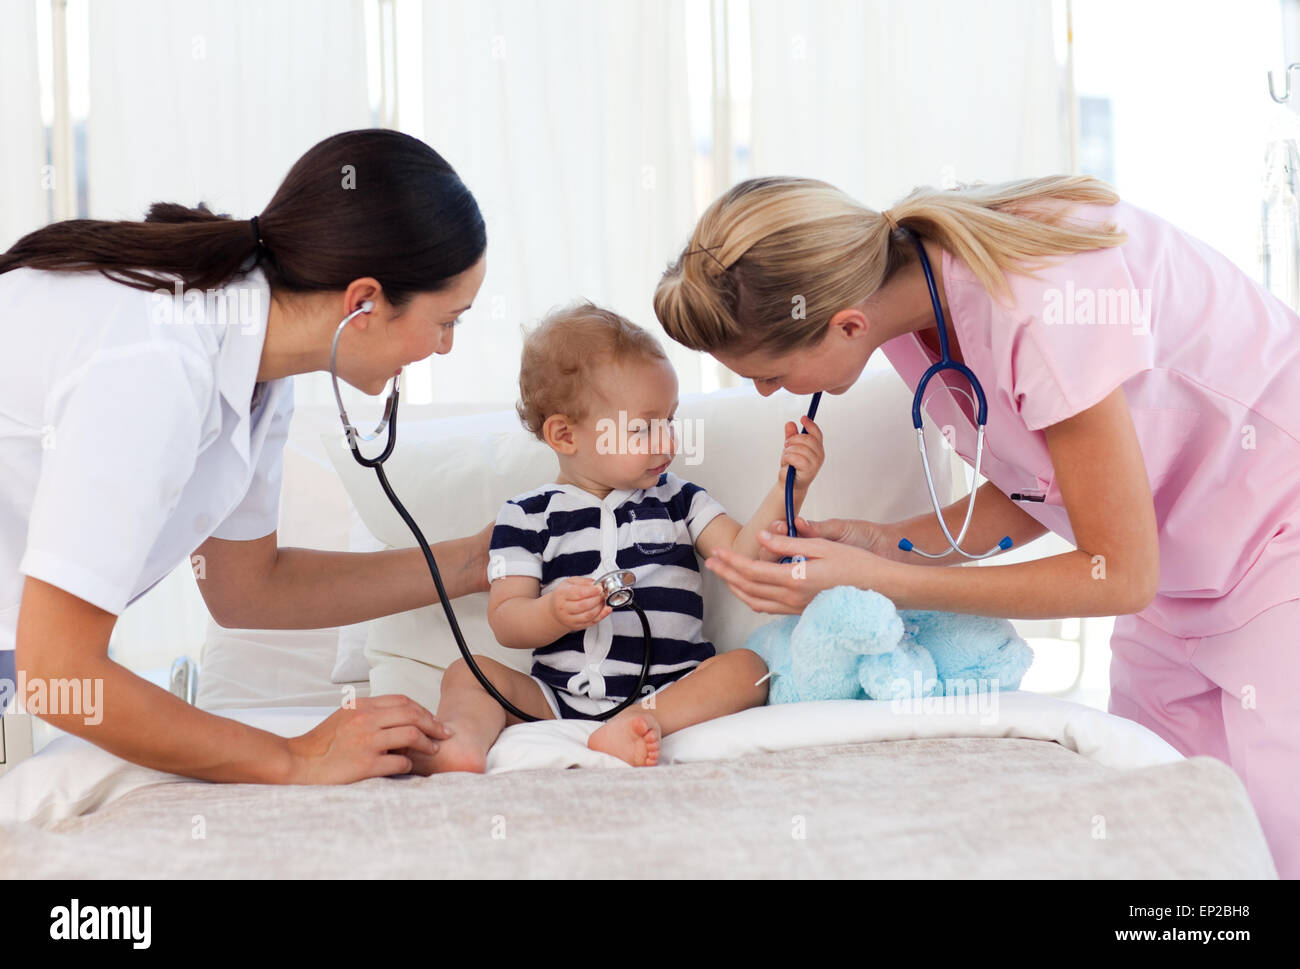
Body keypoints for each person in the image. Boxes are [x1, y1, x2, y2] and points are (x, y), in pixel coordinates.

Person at [652, 174, 1300, 877]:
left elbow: (1118, 573)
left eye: (771, 374)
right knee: (1159, 832)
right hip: (1182, 571)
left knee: (1276, 832)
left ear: (845, 323)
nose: (764, 393)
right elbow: (1047, 479)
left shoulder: (1038, 306)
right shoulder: (913, 306)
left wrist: (889, 582)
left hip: (1275, 536)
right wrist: (887, 542)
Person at [0, 129, 495, 783]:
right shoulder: (158, 363)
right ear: (364, 303)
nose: (446, 346)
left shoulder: (258, 372)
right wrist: (293, 757)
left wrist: (476, 560)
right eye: (448, 319)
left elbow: (249, 588)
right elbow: (58, 667)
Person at [427, 302, 823, 771]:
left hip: (672, 691)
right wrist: (553, 613)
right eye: (643, 428)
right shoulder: (526, 516)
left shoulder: (680, 500)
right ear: (564, 435)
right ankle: (459, 745)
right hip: (555, 698)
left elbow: (742, 559)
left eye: (669, 422)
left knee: (750, 670)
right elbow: (506, 620)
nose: (667, 442)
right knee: (467, 672)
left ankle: (639, 720)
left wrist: (786, 491)